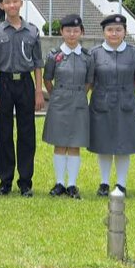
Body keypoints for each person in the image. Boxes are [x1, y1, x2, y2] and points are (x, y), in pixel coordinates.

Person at [0, 0, 43, 196]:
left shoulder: (32, 31)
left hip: (25, 83)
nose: (12, 5)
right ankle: (5, 181)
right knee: (4, 133)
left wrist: (38, 91)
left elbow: (37, 64)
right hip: (4, 83)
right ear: (2, 6)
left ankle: (25, 181)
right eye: (7, 2)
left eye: (15, 1)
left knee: (27, 134)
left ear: (21, 3)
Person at [88, 14, 135, 197]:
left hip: (125, 102)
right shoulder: (95, 53)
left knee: (124, 143)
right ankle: (104, 183)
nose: (114, 33)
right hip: (101, 101)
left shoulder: (134, 52)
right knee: (103, 142)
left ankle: (121, 184)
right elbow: (90, 79)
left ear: (125, 31)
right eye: (110, 30)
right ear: (104, 32)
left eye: (118, 29)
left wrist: (125, 90)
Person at [41, 14, 93, 200]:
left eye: (76, 30)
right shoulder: (54, 55)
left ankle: (71, 184)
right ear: (61, 32)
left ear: (81, 32)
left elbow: (89, 82)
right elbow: (47, 79)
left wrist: (78, 94)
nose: (72, 34)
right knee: (60, 142)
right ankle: (59, 183)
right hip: (59, 102)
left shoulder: (87, 57)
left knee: (75, 143)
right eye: (68, 30)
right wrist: (57, 94)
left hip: (79, 101)